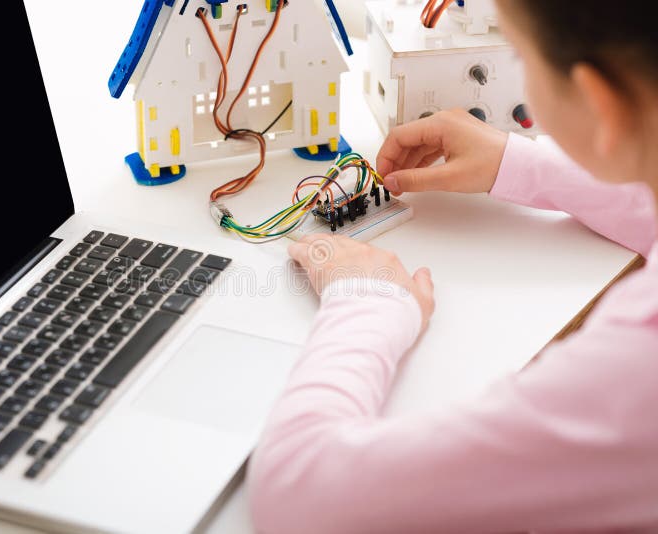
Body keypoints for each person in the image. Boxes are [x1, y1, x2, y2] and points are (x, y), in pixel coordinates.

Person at [247, 1, 658, 532]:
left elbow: (298, 496)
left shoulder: (635, 370)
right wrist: (519, 163)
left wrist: (367, 304)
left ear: (600, 104)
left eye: (520, 56)